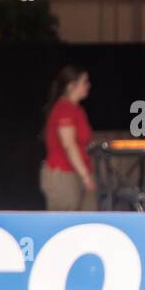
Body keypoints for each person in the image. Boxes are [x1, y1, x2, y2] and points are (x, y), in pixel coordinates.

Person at [41, 65, 97, 211]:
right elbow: (69, 145)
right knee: (63, 222)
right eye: (84, 82)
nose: (88, 86)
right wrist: (85, 176)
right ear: (71, 86)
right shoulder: (64, 110)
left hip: (77, 172)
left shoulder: (77, 110)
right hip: (64, 175)